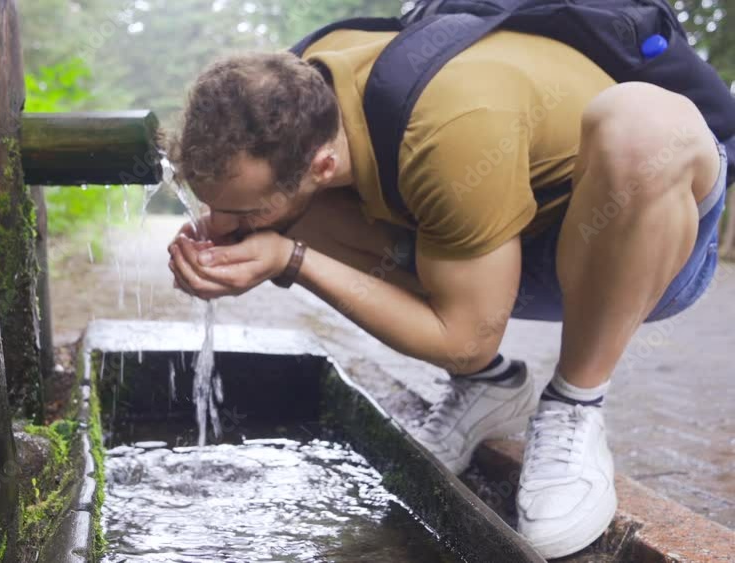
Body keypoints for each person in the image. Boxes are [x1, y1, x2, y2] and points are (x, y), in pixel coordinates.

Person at [164, 27, 727, 559]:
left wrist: (291, 260)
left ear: (324, 162)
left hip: (647, 243)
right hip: (501, 234)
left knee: (647, 121)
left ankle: (576, 402)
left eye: (236, 211)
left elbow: (466, 341)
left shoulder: (448, 129)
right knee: (292, 214)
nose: (218, 225)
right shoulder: (302, 91)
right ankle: (492, 390)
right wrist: (242, 230)